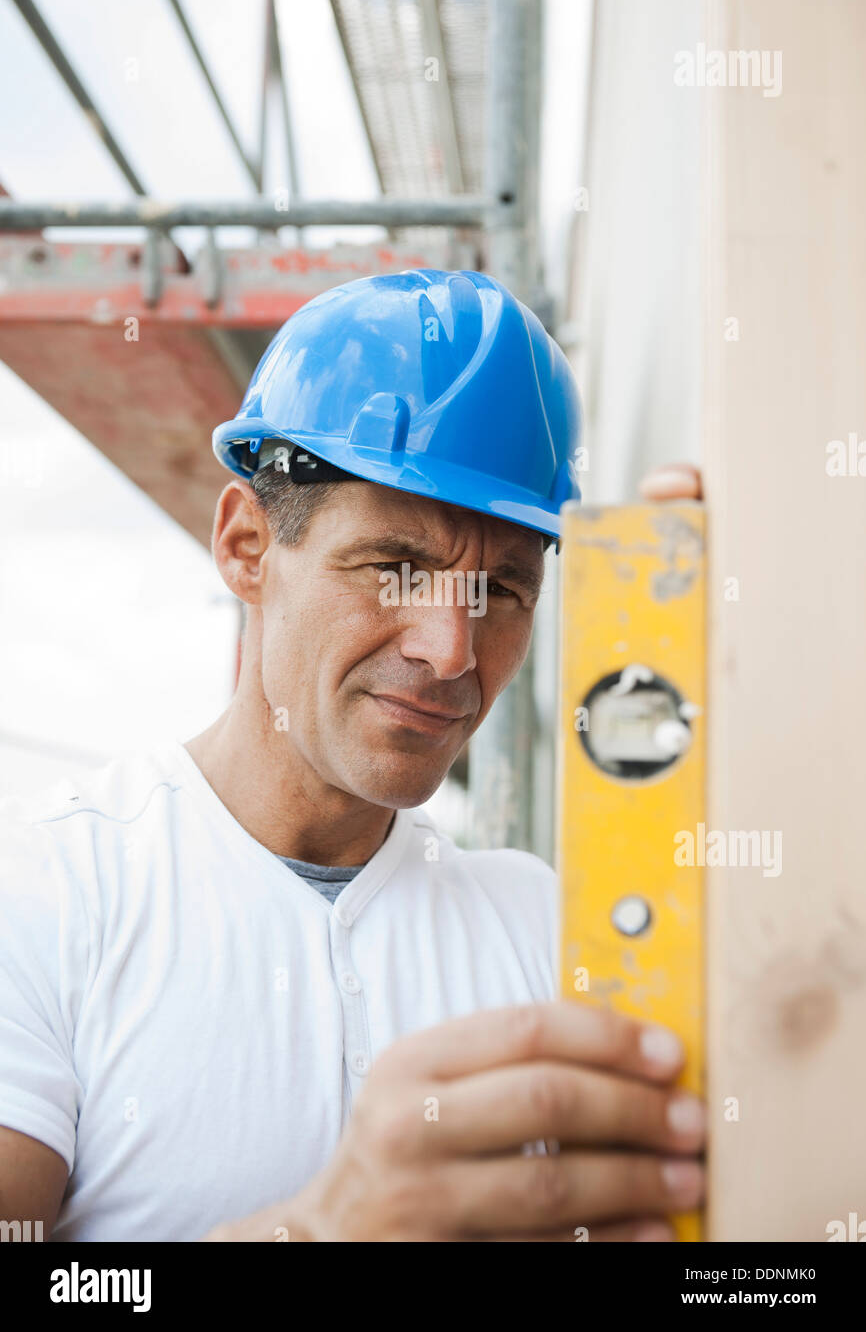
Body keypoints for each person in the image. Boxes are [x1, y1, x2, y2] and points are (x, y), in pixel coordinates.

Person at [0, 269, 704, 1242]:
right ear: (248, 545)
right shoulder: (44, 894)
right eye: (393, 566)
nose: (449, 651)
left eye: (501, 589)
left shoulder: (548, 926)